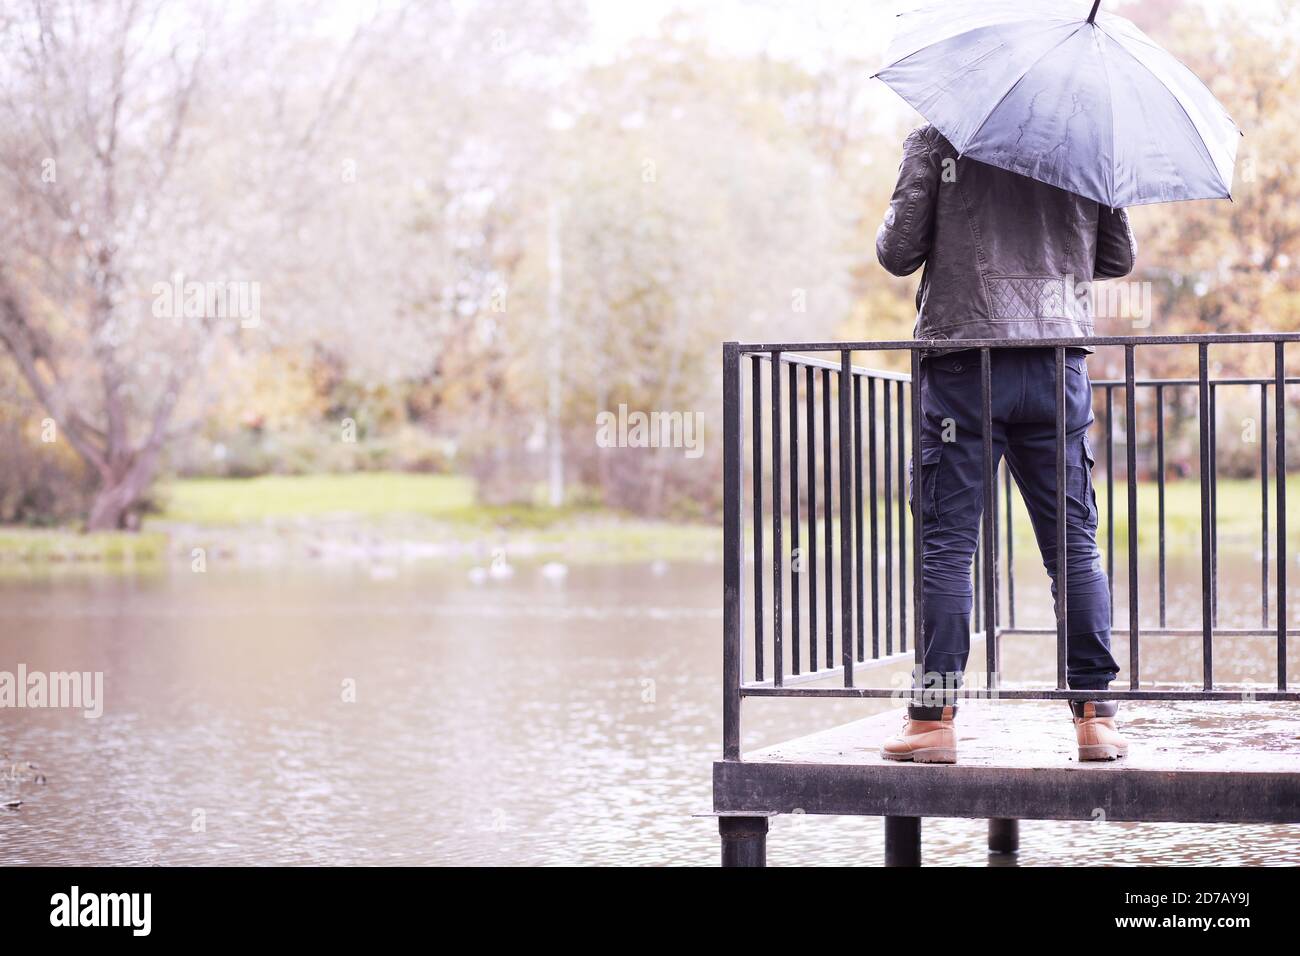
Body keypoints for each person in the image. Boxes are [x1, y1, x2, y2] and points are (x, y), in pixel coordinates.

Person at [874, 123, 1135, 764]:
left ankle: (933, 723)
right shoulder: (1086, 139)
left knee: (948, 548)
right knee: (1073, 548)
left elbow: (898, 251)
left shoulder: (940, 136)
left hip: (966, 365)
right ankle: (1094, 719)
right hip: (1055, 364)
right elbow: (1116, 258)